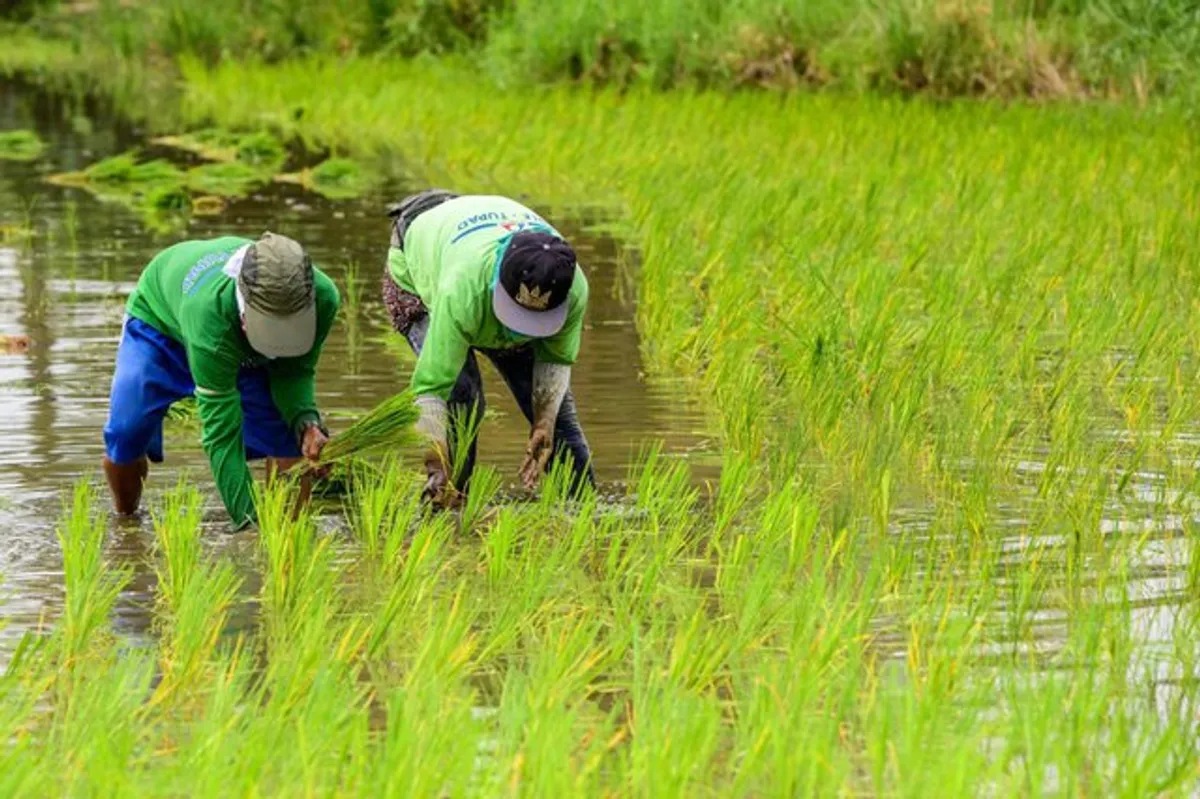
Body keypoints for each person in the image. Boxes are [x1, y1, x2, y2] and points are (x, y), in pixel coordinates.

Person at [102, 232, 340, 529]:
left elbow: (294, 371)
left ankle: (291, 534)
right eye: (270, 330)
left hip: (237, 343)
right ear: (244, 311)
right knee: (127, 431)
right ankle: (126, 526)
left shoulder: (325, 298)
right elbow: (221, 437)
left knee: (286, 440)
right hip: (160, 325)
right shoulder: (209, 315)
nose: (278, 341)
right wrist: (250, 527)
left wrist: (305, 420)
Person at [381, 189, 595, 505]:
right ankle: (448, 506)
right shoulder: (462, 289)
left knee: (562, 427)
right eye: (516, 316)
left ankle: (585, 514)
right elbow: (431, 387)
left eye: (532, 321)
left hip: (475, 251)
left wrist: (544, 423)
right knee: (462, 399)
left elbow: (555, 358)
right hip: (418, 264)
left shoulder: (571, 289)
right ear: (499, 285)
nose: (515, 331)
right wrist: (436, 455)